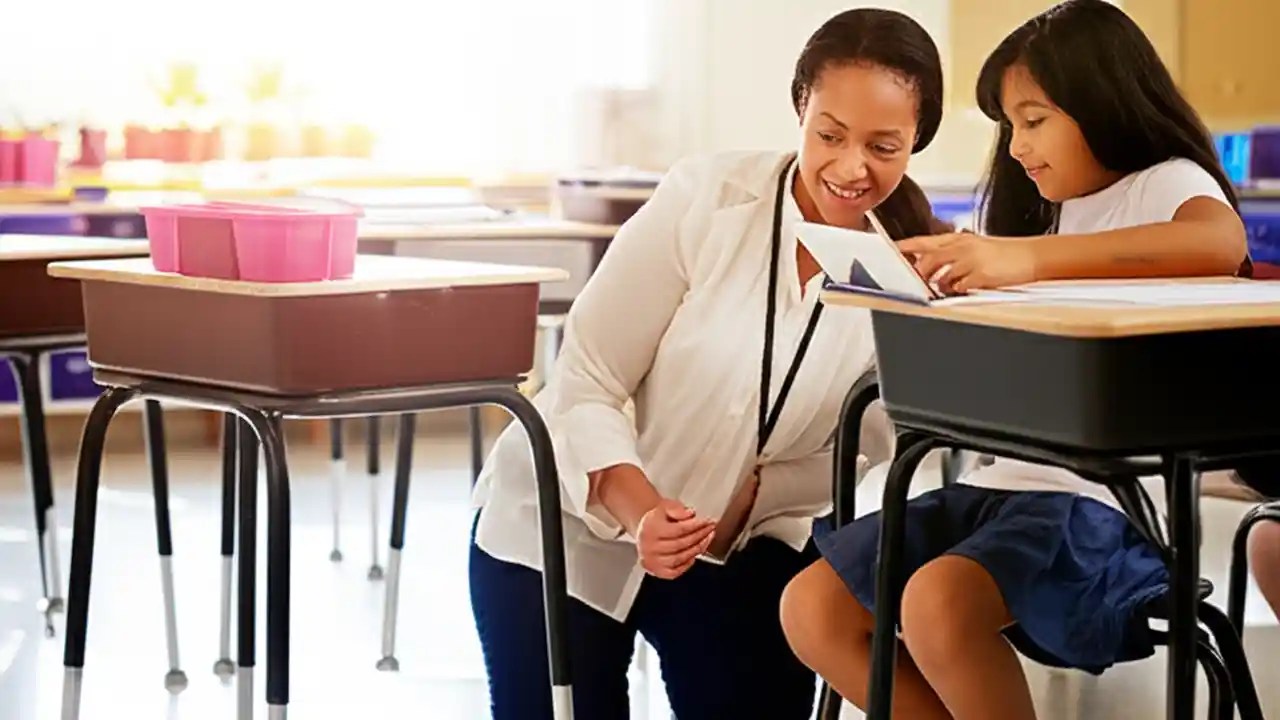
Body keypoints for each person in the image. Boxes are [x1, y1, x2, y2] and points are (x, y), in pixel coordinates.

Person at [467, 8, 947, 719]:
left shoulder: (905, 273)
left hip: (737, 549)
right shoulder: (708, 200)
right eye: (830, 135)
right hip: (563, 525)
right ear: (800, 107)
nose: (852, 167)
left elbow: (866, 446)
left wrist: (757, 497)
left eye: (884, 145)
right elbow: (588, 376)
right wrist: (641, 513)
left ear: (916, 140)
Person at [778, 2, 1249, 719]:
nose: (1018, 145)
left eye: (1034, 119)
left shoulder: (1166, 182)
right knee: (813, 606)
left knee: (937, 605)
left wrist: (1018, 260)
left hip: (1103, 507)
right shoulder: (1046, 207)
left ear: (1104, 102)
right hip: (1005, 486)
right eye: (1009, 125)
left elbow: (1217, 245)